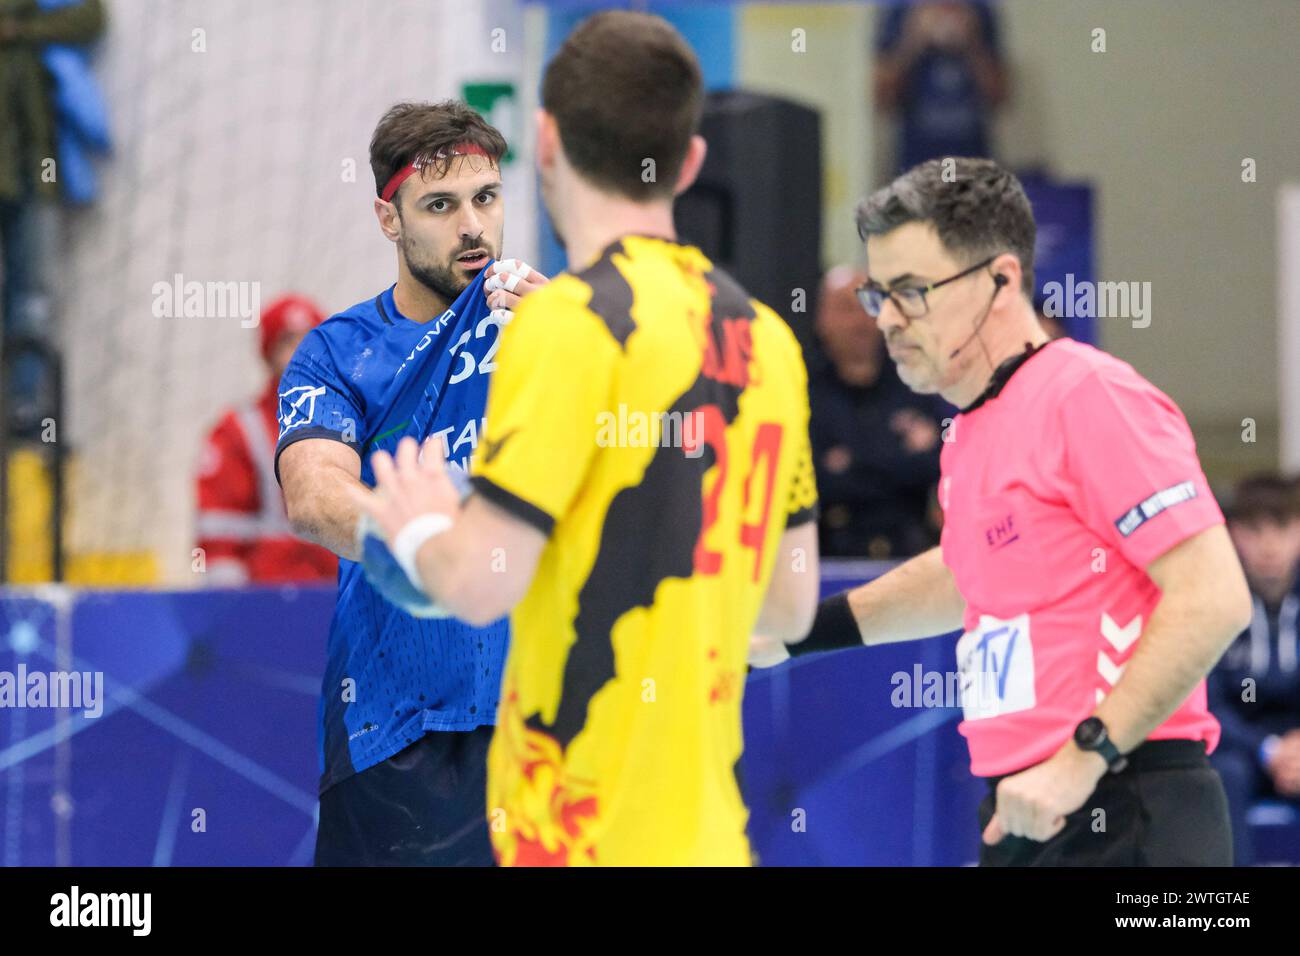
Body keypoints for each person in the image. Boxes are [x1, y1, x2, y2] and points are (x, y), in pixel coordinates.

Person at [350, 10, 820, 866]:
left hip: (575, 836)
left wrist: (416, 525)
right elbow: (788, 609)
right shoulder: (770, 344)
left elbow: (483, 585)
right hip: (713, 835)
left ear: (547, 142)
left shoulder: (563, 326)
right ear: (691, 162)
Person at [754, 157, 1253, 866]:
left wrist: (1086, 756)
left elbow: (1214, 596)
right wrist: (795, 636)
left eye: (913, 292)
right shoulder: (975, 426)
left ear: (1001, 280)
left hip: (1127, 803)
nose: (888, 320)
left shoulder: (1089, 395)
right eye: (879, 295)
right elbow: (969, 574)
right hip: (1026, 808)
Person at [274, 101, 547, 866]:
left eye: (486, 198)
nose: (472, 227)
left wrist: (586, 354)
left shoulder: (554, 325)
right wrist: (427, 549)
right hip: (394, 733)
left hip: (544, 727)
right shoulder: (338, 353)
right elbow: (316, 498)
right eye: (440, 205)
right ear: (388, 219)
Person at [0, 0, 107, 432]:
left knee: (34, 298)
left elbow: (91, 17)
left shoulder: (33, 30)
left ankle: (24, 411)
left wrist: (19, 29)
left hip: (34, 179)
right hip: (29, 179)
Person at [195, 294, 336, 585]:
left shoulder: (354, 420)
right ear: (268, 352)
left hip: (339, 595)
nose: (300, 352)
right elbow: (218, 530)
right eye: (287, 341)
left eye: (310, 341)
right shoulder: (239, 430)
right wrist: (232, 608)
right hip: (267, 597)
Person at [810, 264, 946, 558]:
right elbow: (815, 483)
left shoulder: (917, 384)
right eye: (846, 308)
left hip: (907, 554)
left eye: (869, 308)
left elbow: (936, 464)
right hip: (829, 558)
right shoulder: (804, 393)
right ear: (822, 317)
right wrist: (896, 457)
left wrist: (850, 461)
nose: (859, 322)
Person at [1210, 473, 1300, 866]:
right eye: (1253, 529)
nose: (1268, 545)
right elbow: (1205, 701)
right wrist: (1269, 750)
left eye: (1280, 527)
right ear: (1233, 535)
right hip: (1241, 749)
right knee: (1217, 775)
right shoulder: (1211, 600)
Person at [874, 0, 1007, 173]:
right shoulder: (899, 12)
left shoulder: (980, 11)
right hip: (916, 164)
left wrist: (973, 44)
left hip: (972, 166)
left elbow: (999, 97)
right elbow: (882, 98)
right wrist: (913, 41)